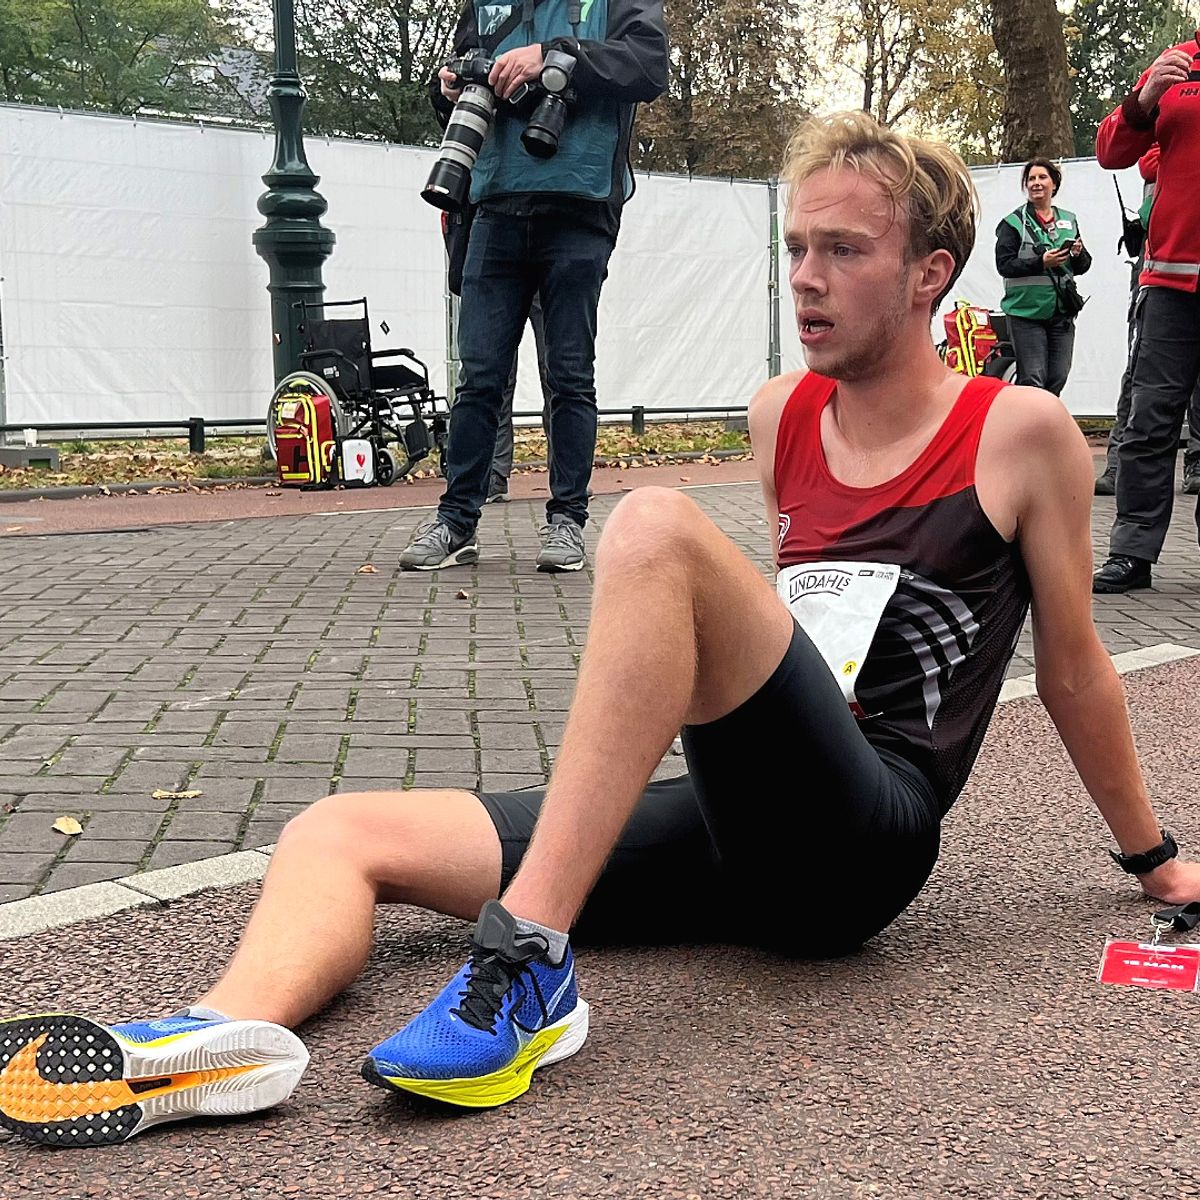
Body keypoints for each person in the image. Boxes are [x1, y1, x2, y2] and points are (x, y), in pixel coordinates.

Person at [7, 111, 1200, 1149]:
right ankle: (221, 1040)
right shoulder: (779, 412)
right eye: (796, 248)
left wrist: (1152, 860)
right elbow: (769, 643)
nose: (807, 277)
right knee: (337, 827)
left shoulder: (1021, 430)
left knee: (656, 528)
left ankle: (528, 957)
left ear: (932, 272)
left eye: (845, 249)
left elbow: (1075, 669)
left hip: (861, 845)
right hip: (732, 816)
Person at [398, 0, 668, 574]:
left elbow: (648, 65)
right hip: (493, 208)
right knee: (479, 378)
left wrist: (551, 56)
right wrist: (444, 87)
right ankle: (456, 521)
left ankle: (567, 520)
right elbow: (461, 68)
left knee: (569, 375)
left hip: (580, 208)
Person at [1093, 37, 1200, 592]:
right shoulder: (1174, 63)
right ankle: (1132, 552)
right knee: (1148, 423)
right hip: (1170, 286)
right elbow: (1112, 149)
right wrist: (1144, 98)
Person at [1095, 145, 1200, 498]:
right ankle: (1117, 463)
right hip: (1157, 265)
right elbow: (1146, 160)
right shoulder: (1167, 98)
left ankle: (1196, 463)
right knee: (1139, 369)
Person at [994, 158, 1092, 397]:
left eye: (1042, 177)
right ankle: (1028, 432)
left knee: (1058, 376)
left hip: (1061, 313)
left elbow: (1083, 266)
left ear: (1054, 184)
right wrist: (1041, 262)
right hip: (1025, 313)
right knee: (1033, 380)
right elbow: (1004, 265)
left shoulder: (1068, 220)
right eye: (1031, 179)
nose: (1036, 183)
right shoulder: (1013, 223)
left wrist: (1077, 255)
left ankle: (1044, 429)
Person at [487, 293, 552, 504]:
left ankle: (568, 475)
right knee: (497, 380)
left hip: (550, 277)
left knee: (558, 378)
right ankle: (495, 474)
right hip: (504, 276)